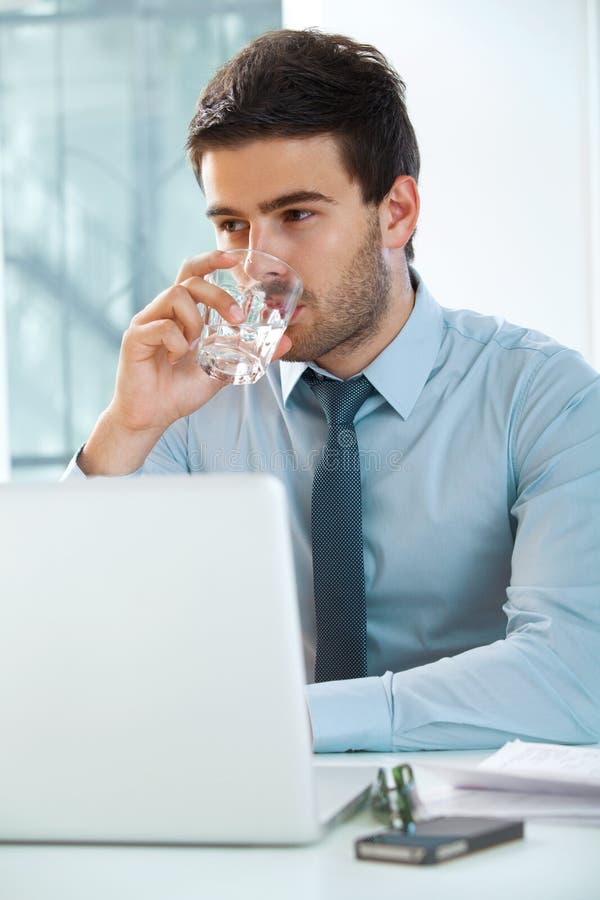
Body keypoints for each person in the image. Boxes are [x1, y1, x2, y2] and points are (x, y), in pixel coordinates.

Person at [64, 29, 600, 752]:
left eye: (297, 215)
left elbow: (573, 676)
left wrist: (298, 722)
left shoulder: (545, 400)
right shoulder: (191, 402)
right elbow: (60, 637)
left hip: (466, 807)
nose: (258, 264)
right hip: (246, 796)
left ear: (396, 212)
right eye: (233, 225)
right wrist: (127, 428)